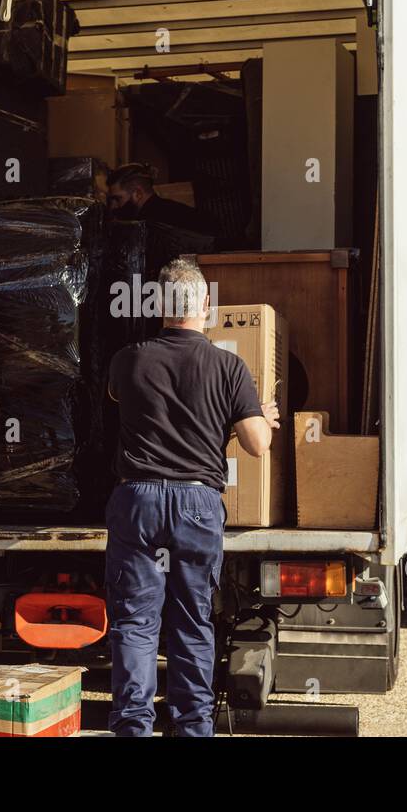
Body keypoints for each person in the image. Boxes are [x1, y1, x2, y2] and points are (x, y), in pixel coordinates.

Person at [104, 258, 280, 736]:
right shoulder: (229, 366)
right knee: (192, 622)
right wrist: (253, 412)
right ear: (207, 306)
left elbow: (129, 403)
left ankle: (133, 728)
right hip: (197, 505)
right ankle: (192, 728)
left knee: (136, 625)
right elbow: (257, 444)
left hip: (137, 500)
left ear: (159, 304)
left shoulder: (130, 358)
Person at [106, 162, 210, 235]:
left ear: (138, 193)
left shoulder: (151, 225)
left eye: (118, 199)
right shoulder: (168, 210)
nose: (114, 206)